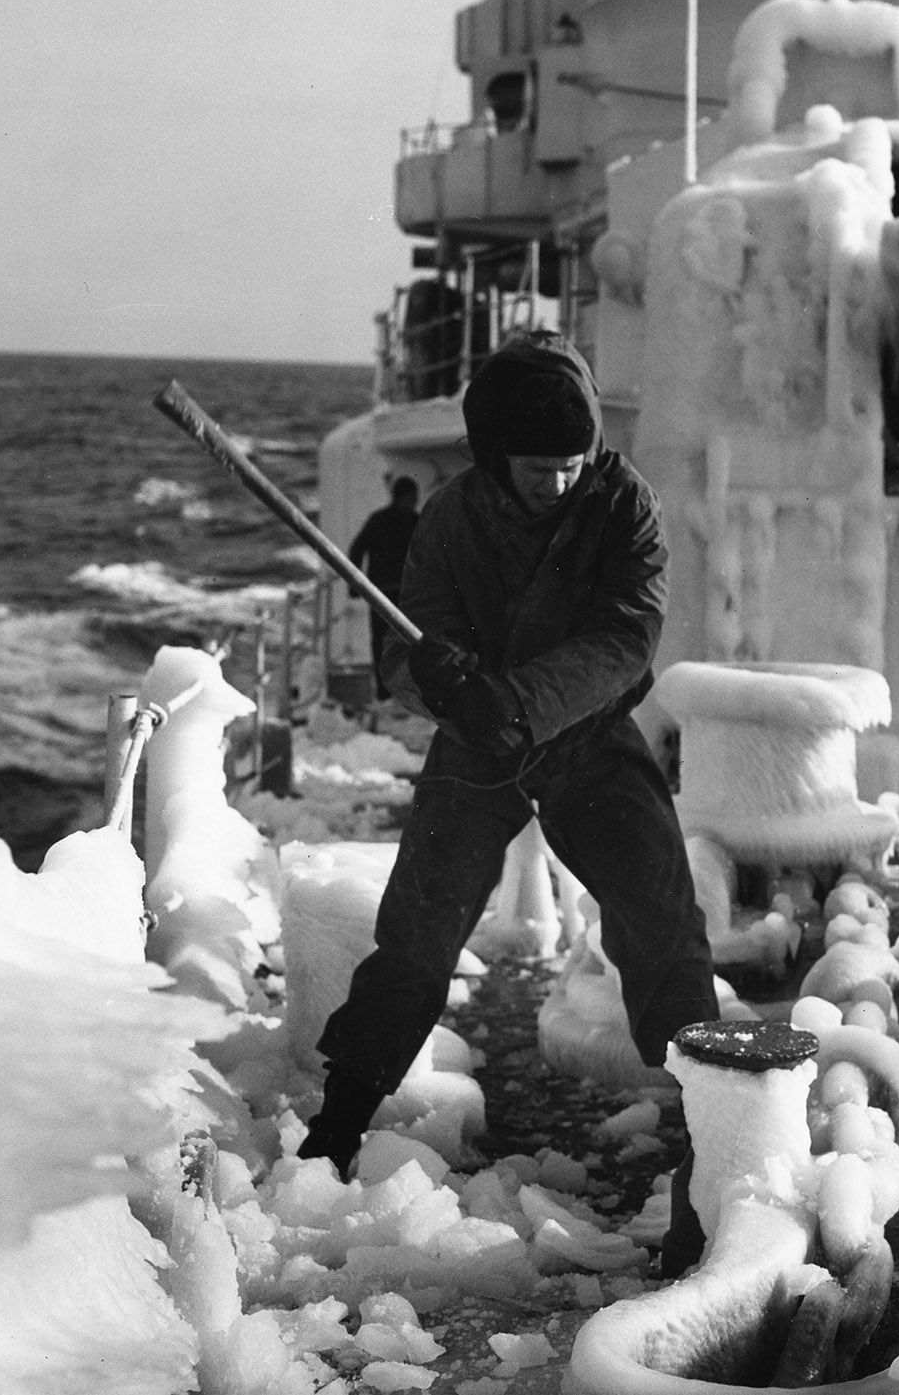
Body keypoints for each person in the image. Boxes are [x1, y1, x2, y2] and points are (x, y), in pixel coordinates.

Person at [299, 335, 720, 1179]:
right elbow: (407, 645)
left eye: (572, 465)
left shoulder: (624, 505)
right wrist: (439, 680)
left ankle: (718, 1133)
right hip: (475, 741)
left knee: (663, 923)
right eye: (537, 469)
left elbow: (626, 636)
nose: (559, 483)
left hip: (586, 735)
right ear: (495, 459)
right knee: (416, 934)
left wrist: (521, 701)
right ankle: (336, 1126)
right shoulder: (451, 518)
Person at [347, 476, 420, 699]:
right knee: (386, 641)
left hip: (397, 592)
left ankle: (397, 691)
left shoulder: (394, 520)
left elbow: (357, 548)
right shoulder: (406, 521)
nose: (416, 501)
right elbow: (358, 548)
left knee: (400, 642)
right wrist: (355, 584)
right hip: (387, 592)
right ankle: (386, 691)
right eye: (412, 497)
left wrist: (356, 585)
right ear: (403, 497)